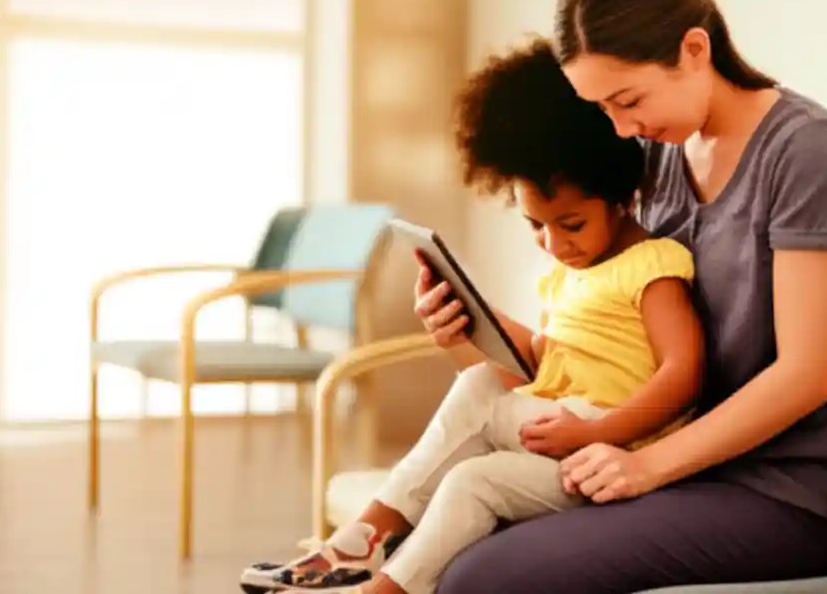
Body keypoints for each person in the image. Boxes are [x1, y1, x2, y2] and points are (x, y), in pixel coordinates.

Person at [430, 0, 827, 593]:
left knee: (487, 576)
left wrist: (649, 467)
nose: (619, 128)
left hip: (791, 497)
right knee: (457, 535)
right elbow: (603, 355)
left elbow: (806, 377)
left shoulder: (807, 151)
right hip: (682, 471)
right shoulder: (660, 156)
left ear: (694, 49)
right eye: (604, 109)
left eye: (627, 99)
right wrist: (466, 337)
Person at [238, 38, 705, 594]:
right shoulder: (569, 274)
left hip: (613, 453)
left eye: (571, 224)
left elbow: (685, 370)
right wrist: (471, 320)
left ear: (622, 198)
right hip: (563, 425)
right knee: (479, 381)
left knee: (473, 481)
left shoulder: (653, 264)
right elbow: (542, 366)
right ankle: (362, 538)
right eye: (536, 226)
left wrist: (598, 431)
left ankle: (380, 589)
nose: (554, 243)